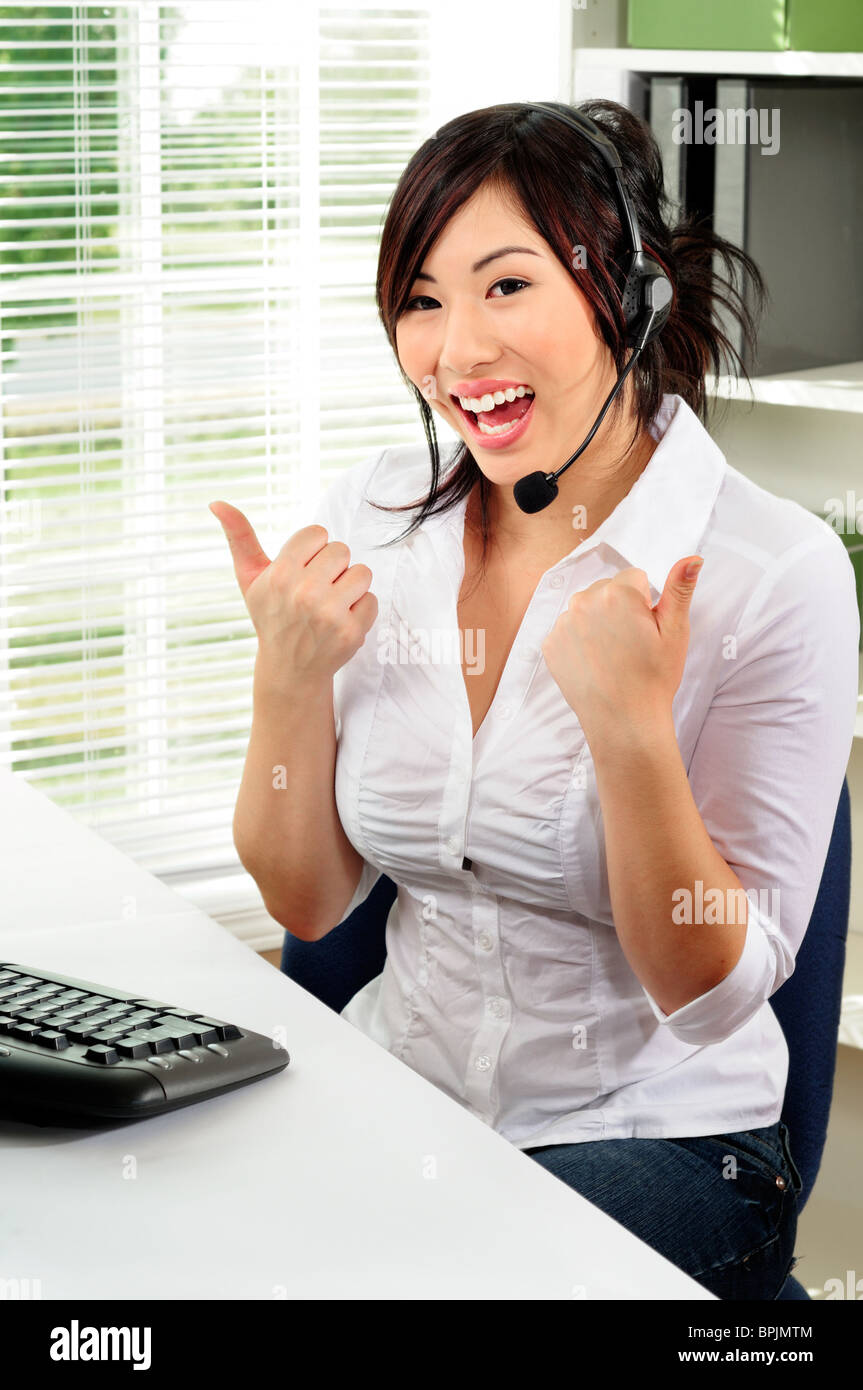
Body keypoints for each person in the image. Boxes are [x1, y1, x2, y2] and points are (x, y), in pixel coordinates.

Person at [215, 101, 860, 1300]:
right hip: (403, 1093)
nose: (455, 350)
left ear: (629, 295)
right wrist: (286, 679)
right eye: (419, 300)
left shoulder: (772, 573)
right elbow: (306, 900)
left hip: (663, 1138)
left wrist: (631, 736)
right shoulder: (376, 518)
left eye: (505, 286)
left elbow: (709, 993)